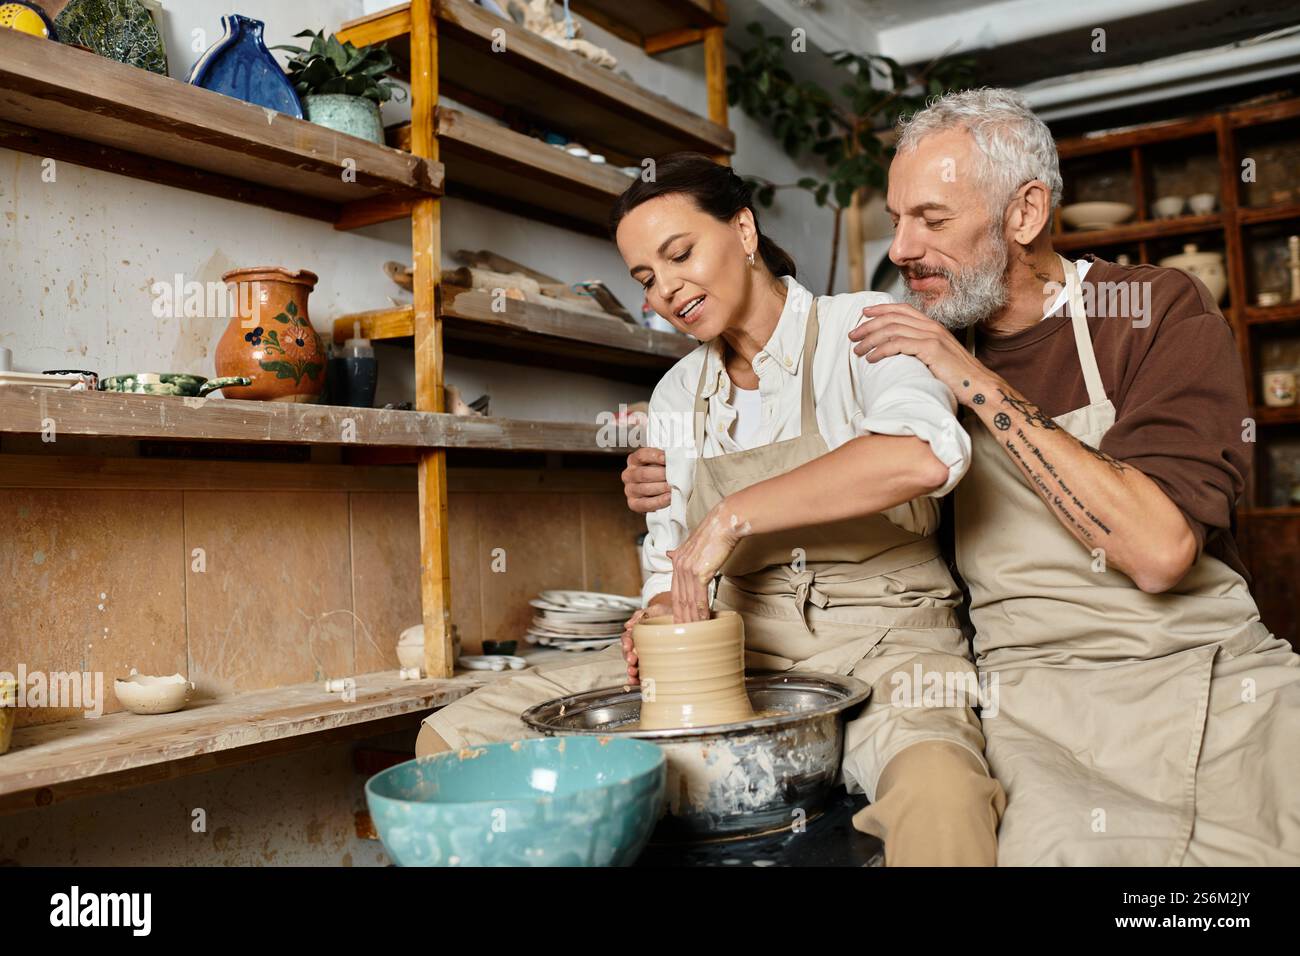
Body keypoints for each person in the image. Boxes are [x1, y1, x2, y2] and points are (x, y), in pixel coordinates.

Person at [623, 89, 1300, 866]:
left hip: (1203, 668)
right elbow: (841, 462)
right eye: (896, 218)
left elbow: (1158, 552)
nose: (901, 248)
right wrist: (683, 478)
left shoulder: (1149, 311)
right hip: (1034, 702)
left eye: (932, 220)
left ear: (1025, 213)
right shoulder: (905, 342)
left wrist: (970, 378)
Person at [417, 153, 1007, 866]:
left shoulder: (863, 328)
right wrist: (662, 610)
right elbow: (670, 558)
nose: (666, 289)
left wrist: (730, 516)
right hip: (736, 651)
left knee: (943, 797)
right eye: (645, 278)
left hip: (886, 645)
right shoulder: (677, 392)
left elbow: (920, 455)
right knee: (454, 740)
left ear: (745, 231)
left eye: (680, 254)